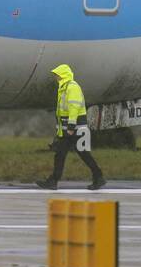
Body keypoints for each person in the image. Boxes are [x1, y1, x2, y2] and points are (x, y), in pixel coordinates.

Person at [36, 63, 106, 191]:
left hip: (74, 129)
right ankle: (54, 180)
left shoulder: (72, 87)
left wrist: (71, 126)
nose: (56, 78)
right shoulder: (64, 88)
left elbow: (74, 107)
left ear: (63, 75)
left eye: (57, 75)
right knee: (63, 154)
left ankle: (98, 176)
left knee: (79, 154)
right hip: (69, 129)